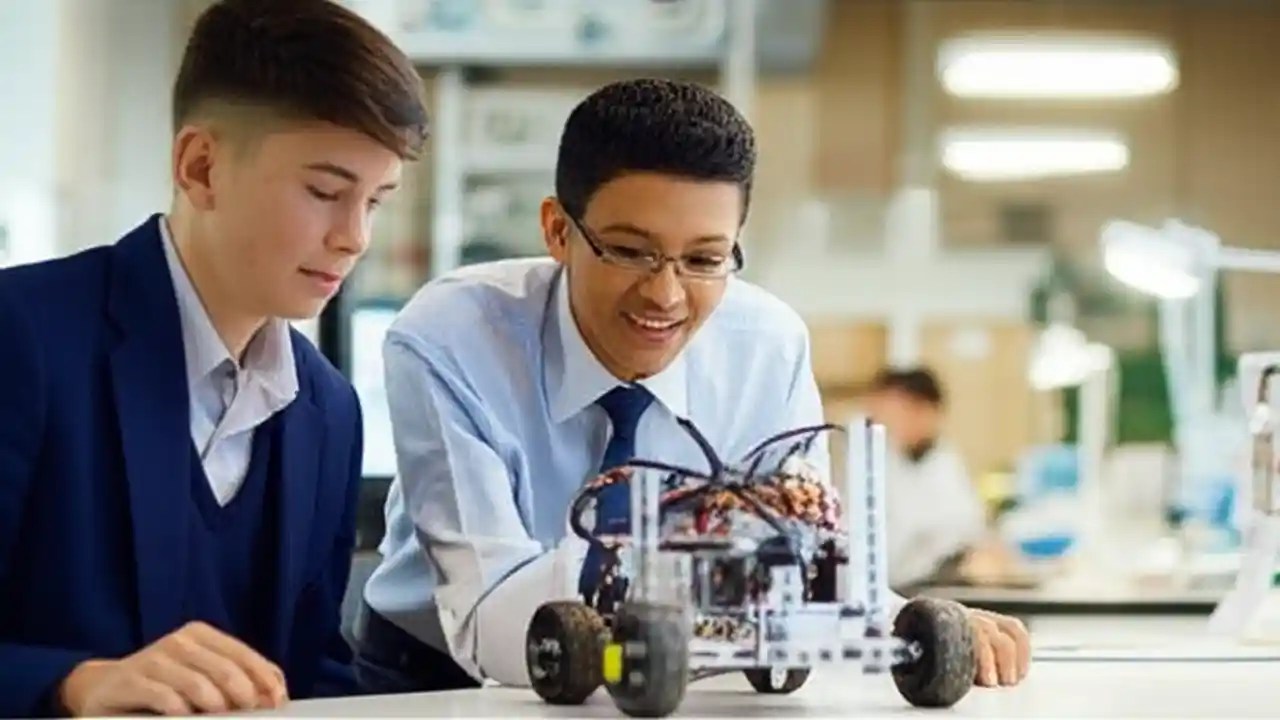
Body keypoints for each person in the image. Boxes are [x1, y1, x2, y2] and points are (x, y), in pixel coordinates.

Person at [357, 78, 1030, 695]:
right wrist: (670, 541)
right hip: (436, 670)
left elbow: (804, 548)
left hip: (672, 669)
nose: (666, 294)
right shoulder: (453, 335)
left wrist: (901, 622)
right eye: (629, 250)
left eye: (705, 259)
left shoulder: (767, 346)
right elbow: (485, 618)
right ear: (559, 230)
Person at [0, 1, 429, 716]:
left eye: (376, 201)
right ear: (200, 167)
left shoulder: (327, 409)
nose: (355, 237)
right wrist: (72, 684)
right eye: (324, 191)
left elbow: (311, 675)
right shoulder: (24, 337)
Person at [863, 367, 1016, 590]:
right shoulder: (875, 463)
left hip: (945, 576)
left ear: (926, 410)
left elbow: (968, 527)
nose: (885, 420)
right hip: (904, 584)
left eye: (897, 410)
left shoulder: (945, 461)